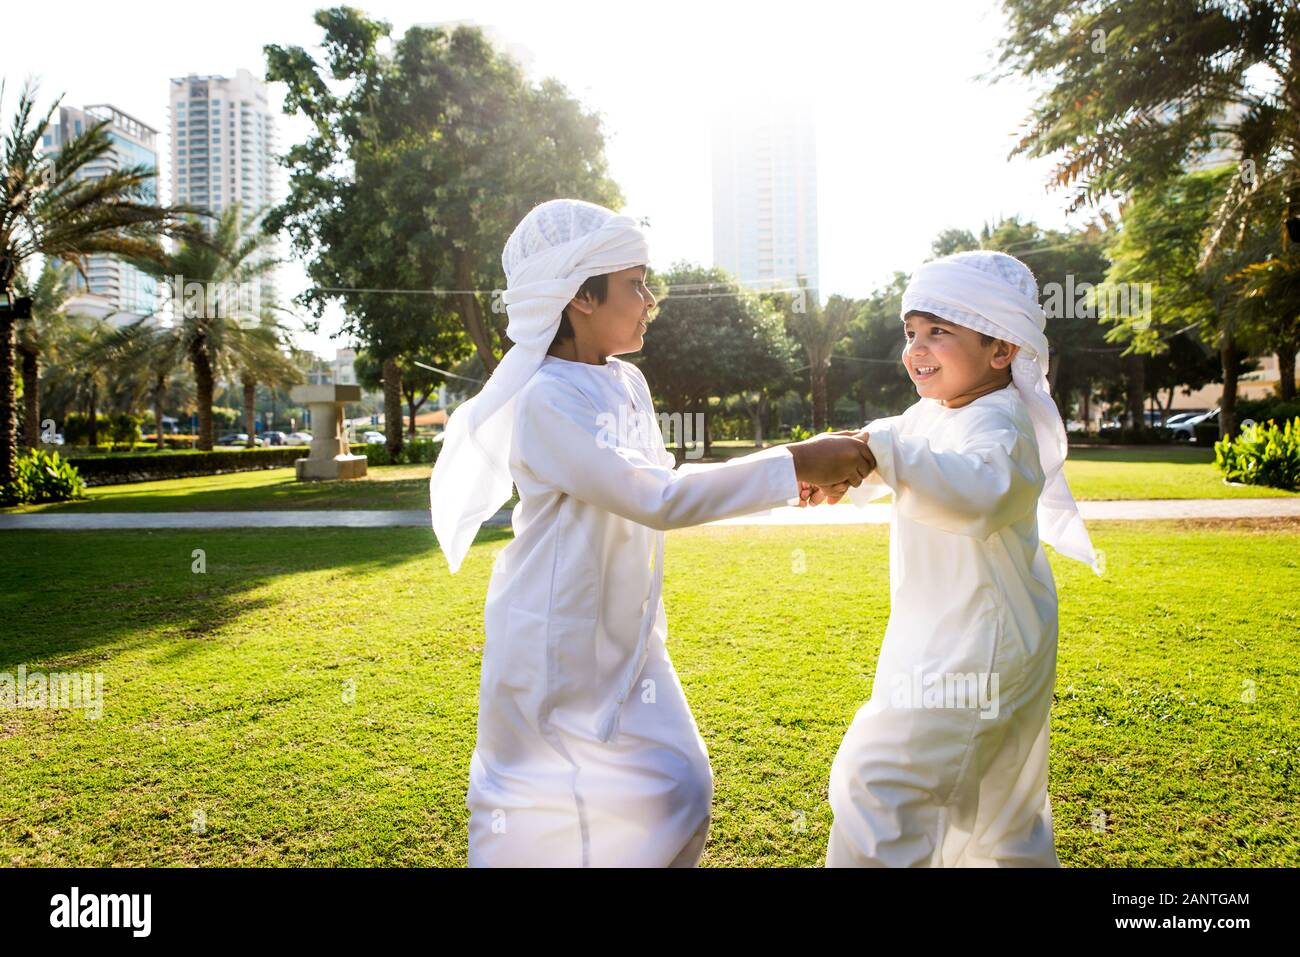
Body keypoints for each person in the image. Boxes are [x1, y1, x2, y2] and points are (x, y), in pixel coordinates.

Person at [428, 198, 874, 867]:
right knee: (536, 815)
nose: (651, 299)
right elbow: (655, 498)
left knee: (679, 788)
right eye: (635, 284)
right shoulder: (543, 398)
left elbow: (666, 479)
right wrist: (793, 462)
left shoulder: (627, 382)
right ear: (581, 295)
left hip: (632, 639)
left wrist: (799, 478)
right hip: (557, 645)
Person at [803, 250, 1101, 867]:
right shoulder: (930, 413)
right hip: (936, 638)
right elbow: (895, 453)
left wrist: (877, 451)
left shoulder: (1004, 425)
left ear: (1003, 349)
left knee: (878, 780)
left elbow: (980, 491)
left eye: (939, 330)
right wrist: (851, 465)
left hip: (981, 649)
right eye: (911, 332)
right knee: (999, 819)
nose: (916, 348)